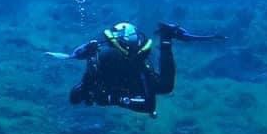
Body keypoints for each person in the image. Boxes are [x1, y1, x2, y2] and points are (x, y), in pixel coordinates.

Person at [56, 21, 224, 117]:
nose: (90, 100)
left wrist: (116, 100)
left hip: (132, 70)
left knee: (164, 87)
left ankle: (166, 38)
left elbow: (149, 106)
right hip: (130, 76)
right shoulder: (96, 76)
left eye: (87, 98)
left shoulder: (97, 74)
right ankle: (166, 38)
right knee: (163, 86)